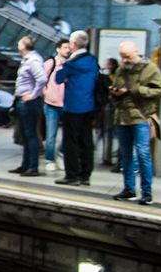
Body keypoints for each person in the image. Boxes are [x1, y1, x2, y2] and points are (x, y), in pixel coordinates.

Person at [110, 41, 161, 205]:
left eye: (127, 56)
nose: (124, 60)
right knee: (126, 155)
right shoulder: (121, 69)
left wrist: (137, 90)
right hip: (122, 116)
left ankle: (146, 192)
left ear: (136, 52)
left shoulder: (150, 69)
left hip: (141, 116)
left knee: (143, 154)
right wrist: (115, 93)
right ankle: (129, 189)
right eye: (122, 56)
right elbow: (116, 88)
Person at [53, 30, 99, 187]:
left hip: (73, 106)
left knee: (70, 142)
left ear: (73, 44)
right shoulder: (92, 60)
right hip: (89, 105)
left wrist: (63, 65)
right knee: (86, 141)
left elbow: (58, 78)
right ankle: (86, 175)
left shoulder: (72, 63)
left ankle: (72, 175)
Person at [10, 37, 48, 177]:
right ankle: (25, 165)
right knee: (26, 135)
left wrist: (33, 94)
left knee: (31, 134)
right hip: (23, 101)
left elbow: (42, 79)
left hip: (30, 103)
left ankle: (33, 167)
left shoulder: (33, 60)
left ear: (23, 46)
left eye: (19, 43)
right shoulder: (27, 60)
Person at [40, 38, 70, 173]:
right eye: (65, 48)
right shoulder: (50, 63)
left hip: (67, 103)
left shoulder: (70, 64)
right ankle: (49, 160)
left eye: (69, 48)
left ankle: (61, 154)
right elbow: (41, 80)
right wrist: (45, 93)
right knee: (51, 134)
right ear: (58, 49)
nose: (68, 50)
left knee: (69, 134)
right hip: (51, 103)